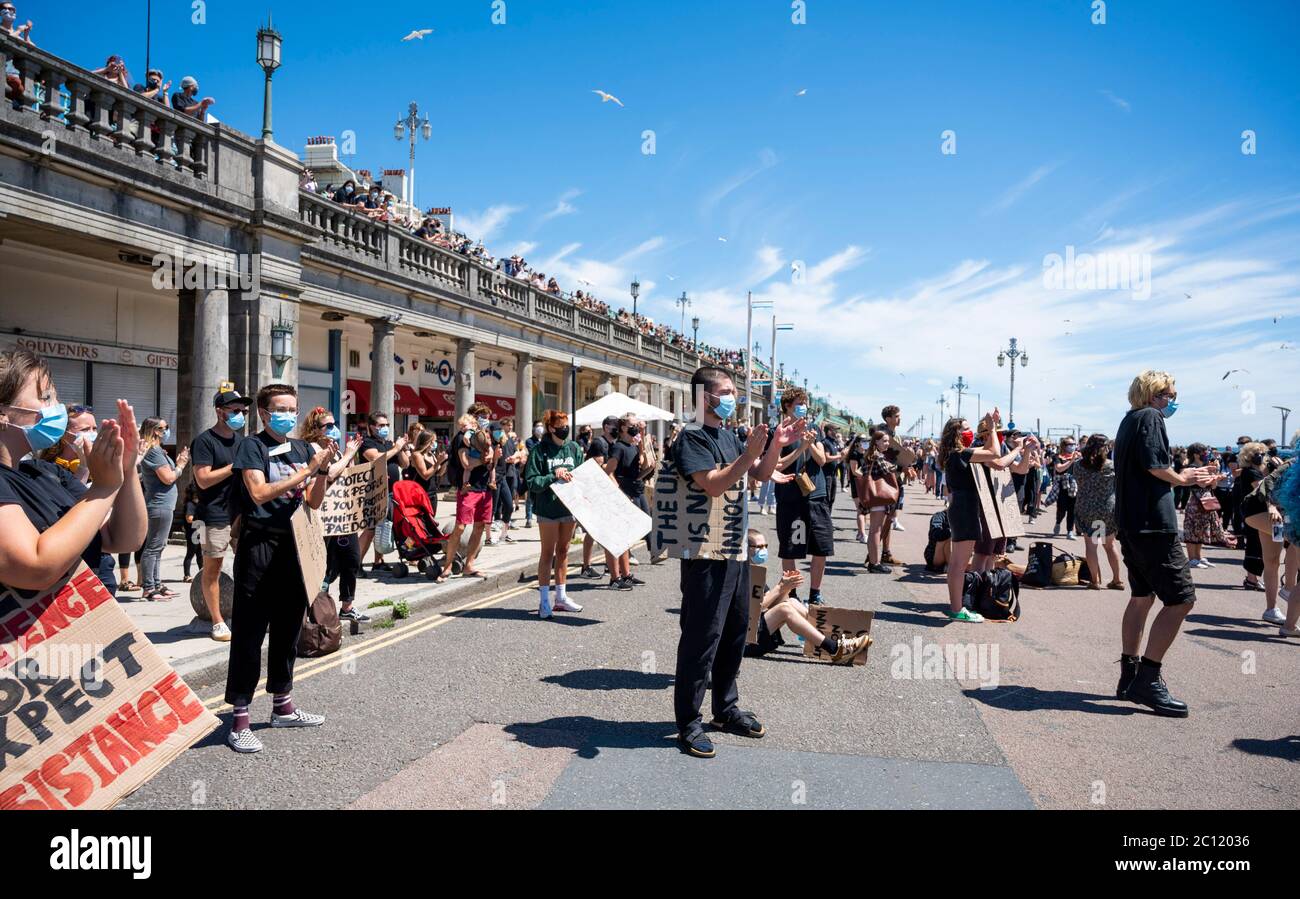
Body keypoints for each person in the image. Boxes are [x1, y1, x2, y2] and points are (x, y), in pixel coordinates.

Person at [672, 365, 802, 759]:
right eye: (726, 391)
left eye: (734, 391)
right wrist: (748, 454)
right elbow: (713, 483)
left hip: (735, 546)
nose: (733, 397)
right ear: (703, 397)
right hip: (705, 550)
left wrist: (775, 445)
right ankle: (688, 721)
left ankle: (725, 708)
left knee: (735, 630)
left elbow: (758, 475)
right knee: (702, 636)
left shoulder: (727, 435)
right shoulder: (691, 438)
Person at [225, 383, 334, 754]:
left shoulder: (304, 448)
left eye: (292, 408)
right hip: (259, 545)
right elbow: (257, 493)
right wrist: (306, 472)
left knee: (289, 628)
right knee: (250, 631)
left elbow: (314, 502)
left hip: (294, 547)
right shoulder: (251, 447)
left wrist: (321, 472)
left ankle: (282, 705)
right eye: (280, 409)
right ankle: (240, 717)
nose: (287, 414)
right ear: (264, 413)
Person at [0, 348, 146, 601]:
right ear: (3, 414)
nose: (56, 407)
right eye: (45, 397)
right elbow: (35, 568)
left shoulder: (48, 473)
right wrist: (103, 488)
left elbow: (124, 539)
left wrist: (126, 467)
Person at [1113, 370, 1215, 717]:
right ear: (1155, 395)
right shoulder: (1151, 417)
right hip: (1152, 526)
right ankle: (1148, 678)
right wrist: (1184, 477)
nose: (1173, 400)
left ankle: (1129, 675)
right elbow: (1157, 467)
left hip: (1132, 523)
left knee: (1141, 598)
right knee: (1181, 599)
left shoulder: (1130, 420)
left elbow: (1147, 468)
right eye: (1169, 394)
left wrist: (1188, 477)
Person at [937, 414, 1023, 623]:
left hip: (961, 508)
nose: (970, 432)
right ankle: (958, 609)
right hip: (965, 509)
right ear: (956, 433)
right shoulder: (960, 453)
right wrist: (993, 429)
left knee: (957, 563)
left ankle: (956, 607)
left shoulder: (955, 453)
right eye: (965, 428)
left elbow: (996, 458)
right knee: (959, 564)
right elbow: (994, 452)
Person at [743, 530, 871, 663]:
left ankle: (833, 639)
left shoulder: (753, 570)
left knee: (790, 601)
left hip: (753, 630)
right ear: (745, 549)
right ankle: (834, 649)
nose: (763, 550)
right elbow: (753, 608)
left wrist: (786, 588)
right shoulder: (742, 574)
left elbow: (765, 600)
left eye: (765, 546)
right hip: (745, 641)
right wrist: (780, 587)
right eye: (759, 547)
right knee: (784, 609)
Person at [190, 388, 250, 642]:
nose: (240, 415)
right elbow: (202, 480)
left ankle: (247, 614)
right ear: (219, 411)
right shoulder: (205, 441)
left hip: (241, 512)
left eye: (243, 411)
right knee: (212, 567)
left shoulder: (242, 441)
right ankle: (217, 620)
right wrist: (232, 467)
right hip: (214, 514)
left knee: (249, 564)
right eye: (235, 410)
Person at [301, 407, 367, 621]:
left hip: (342, 514)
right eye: (328, 426)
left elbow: (347, 473)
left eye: (334, 424)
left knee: (351, 559)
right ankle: (319, 606)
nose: (333, 428)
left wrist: (350, 455)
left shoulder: (337, 450)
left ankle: (347, 606)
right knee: (325, 564)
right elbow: (328, 474)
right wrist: (348, 454)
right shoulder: (311, 448)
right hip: (323, 516)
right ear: (315, 429)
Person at [772, 388, 833, 605]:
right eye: (800, 402)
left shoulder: (813, 427)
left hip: (816, 495)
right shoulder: (778, 431)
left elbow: (822, 460)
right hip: (790, 496)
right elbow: (777, 465)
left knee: (821, 546)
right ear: (788, 405)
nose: (803, 406)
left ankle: (815, 593)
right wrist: (800, 448)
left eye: (805, 402)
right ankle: (792, 592)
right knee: (790, 548)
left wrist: (810, 444)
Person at [524, 410, 586, 618]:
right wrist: (553, 475)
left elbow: (581, 475)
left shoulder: (574, 448)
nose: (565, 429)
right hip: (548, 509)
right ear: (551, 428)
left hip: (568, 508)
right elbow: (532, 482)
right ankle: (544, 601)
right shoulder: (539, 451)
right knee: (547, 553)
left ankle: (561, 597)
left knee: (564, 552)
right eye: (561, 425)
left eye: (566, 425)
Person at [1238, 439, 1296, 632]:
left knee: (1271, 561)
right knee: (1296, 540)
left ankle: (1271, 609)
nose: (1262, 456)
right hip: (1262, 511)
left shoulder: (1277, 464)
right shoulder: (1288, 464)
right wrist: (1272, 507)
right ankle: (1288, 588)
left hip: (1264, 514)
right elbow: (1268, 487)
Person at [441, 404, 495, 581]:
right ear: (472, 417)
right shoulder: (461, 438)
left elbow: (492, 457)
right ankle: (447, 566)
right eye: (482, 416)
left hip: (485, 487)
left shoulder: (485, 435)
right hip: (469, 488)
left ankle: (469, 565)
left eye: (486, 416)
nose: (485, 419)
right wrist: (484, 459)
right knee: (460, 527)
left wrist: (491, 459)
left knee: (480, 526)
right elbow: (467, 464)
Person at [137, 416, 188, 601]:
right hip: (159, 504)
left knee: (159, 546)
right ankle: (149, 588)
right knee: (153, 547)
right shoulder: (154, 452)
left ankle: (156, 584)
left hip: (163, 504)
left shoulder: (158, 451)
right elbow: (167, 478)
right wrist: (181, 465)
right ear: (154, 430)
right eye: (163, 427)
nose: (167, 430)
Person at [605, 413, 657, 588]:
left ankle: (626, 574)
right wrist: (619, 492)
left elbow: (638, 472)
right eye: (633, 425)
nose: (637, 427)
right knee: (616, 537)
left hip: (635, 492)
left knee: (627, 537)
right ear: (623, 428)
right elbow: (608, 471)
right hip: (622, 495)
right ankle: (614, 577)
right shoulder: (618, 447)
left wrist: (647, 467)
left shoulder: (633, 446)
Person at [357, 411, 409, 572]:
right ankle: (355, 564)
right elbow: (376, 458)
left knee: (384, 527)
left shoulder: (389, 443)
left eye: (387, 425)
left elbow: (405, 464)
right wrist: (396, 448)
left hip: (391, 492)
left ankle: (378, 561)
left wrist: (401, 449)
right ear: (372, 427)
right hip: (374, 491)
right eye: (381, 425)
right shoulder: (366, 442)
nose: (385, 428)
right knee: (370, 529)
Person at [1073, 434, 1124, 590]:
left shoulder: (1078, 465)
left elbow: (1078, 481)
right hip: (1106, 509)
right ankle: (1117, 580)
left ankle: (1094, 581)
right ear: (1106, 447)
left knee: (1091, 545)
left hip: (1086, 509)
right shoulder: (1112, 465)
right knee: (1109, 545)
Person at [578, 415, 620, 580]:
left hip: (604, 491)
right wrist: (616, 486)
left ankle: (605, 565)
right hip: (594, 490)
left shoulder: (612, 444)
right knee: (593, 530)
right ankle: (586, 566)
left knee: (599, 530)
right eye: (613, 425)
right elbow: (599, 466)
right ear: (605, 427)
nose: (616, 428)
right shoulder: (599, 443)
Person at [1180, 443, 1228, 569]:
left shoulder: (1204, 467)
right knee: (1193, 530)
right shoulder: (1193, 467)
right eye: (1204, 452)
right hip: (1196, 502)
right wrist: (1216, 476)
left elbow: (1212, 486)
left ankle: (1198, 557)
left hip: (1206, 499)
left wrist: (1214, 477)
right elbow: (1201, 484)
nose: (1206, 454)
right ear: (1196, 454)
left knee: (1202, 530)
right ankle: (1192, 558)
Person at [859, 430, 899, 574]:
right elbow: (887, 471)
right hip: (879, 496)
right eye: (884, 441)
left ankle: (873, 561)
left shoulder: (870, 455)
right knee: (876, 529)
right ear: (876, 442)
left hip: (874, 495)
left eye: (888, 441)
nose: (887, 443)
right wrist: (897, 467)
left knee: (874, 529)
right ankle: (874, 563)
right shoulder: (877, 456)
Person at [1234, 442, 1270, 593]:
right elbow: (1262, 488)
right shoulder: (1250, 472)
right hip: (1254, 512)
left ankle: (1253, 578)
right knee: (1255, 545)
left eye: (1262, 453)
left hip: (1256, 511)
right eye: (1256, 453)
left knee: (1257, 544)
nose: (1260, 456)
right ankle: (1251, 578)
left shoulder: (1256, 471)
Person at [488, 419, 524, 546]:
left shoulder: (505, 441)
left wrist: (514, 458)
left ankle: (504, 534)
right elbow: (489, 464)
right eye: (497, 431)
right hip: (493, 478)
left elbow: (518, 452)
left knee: (509, 506)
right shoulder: (489, 445)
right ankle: (488, 537)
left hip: (503, 476)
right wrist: (495, 457)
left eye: (500, 431)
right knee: (492, 508)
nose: (499, 433)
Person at [1052, 437, 1081, 539]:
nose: (1072, 446)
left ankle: (1070, 531)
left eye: (1074, 444)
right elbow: (1059, 469)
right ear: (1064, 446)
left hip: (1075, 486)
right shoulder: (1058, 456)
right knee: (1061, 509)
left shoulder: (1079, 456)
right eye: (1070, 444)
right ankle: (1058, 522)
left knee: (1072, 510)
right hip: (1062, 486)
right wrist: (1072, 460)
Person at [523, 421, 545, 528]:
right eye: (538, 426)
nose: (540, 428)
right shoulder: (530, 441)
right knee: (530, 496)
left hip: (542, 471)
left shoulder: (545, 440)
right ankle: (529, 518)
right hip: (532, 470)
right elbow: (534, 452)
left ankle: (539, 516)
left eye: (541, 426)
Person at [181, 480, 201, 583]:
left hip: (201, 530)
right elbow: (189, 518)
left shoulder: (199, 503)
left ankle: (202, 573)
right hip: (194, 532)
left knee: (201, 554)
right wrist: (201, 521)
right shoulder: (190, 504)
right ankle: (187, 575)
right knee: (191, 553)